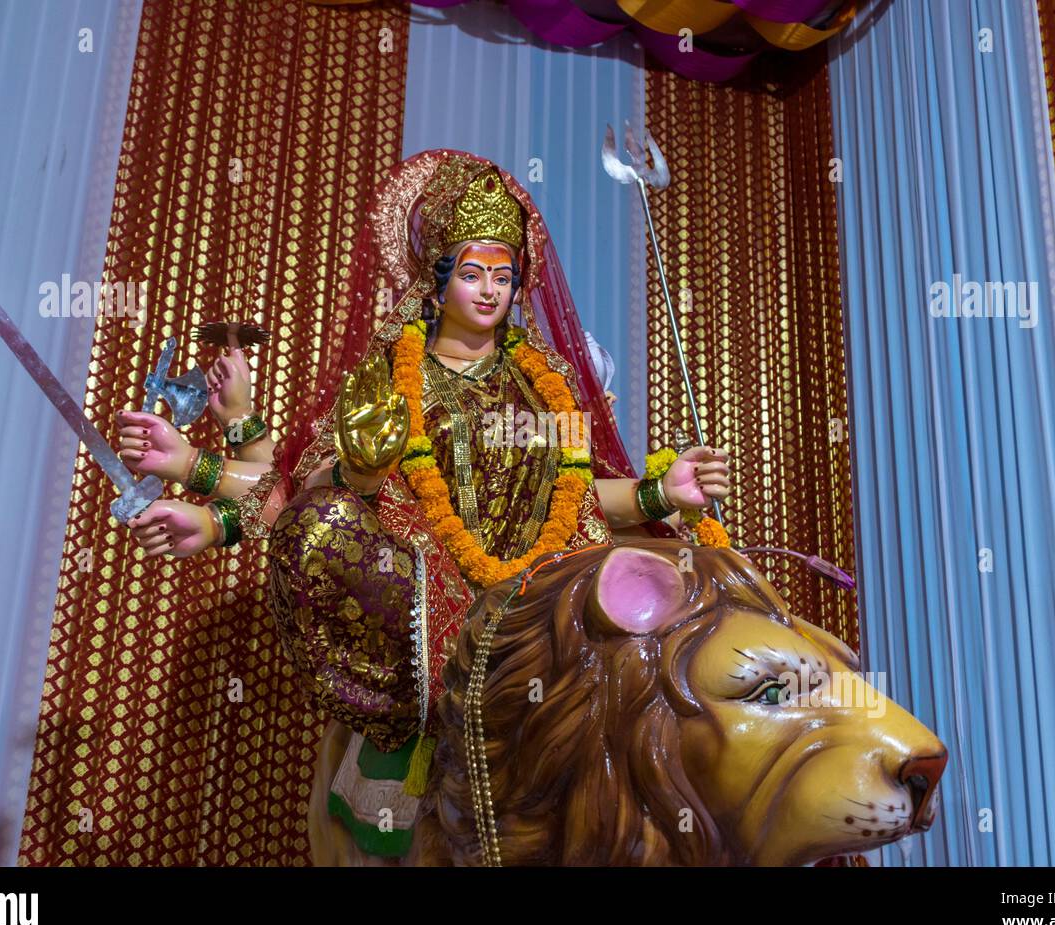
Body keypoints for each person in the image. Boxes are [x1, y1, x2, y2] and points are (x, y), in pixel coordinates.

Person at [113, 149, 731, 860]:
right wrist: (194, 470)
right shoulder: (390, 377)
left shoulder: (550, 382)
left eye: (503, 276)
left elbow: (582, 497)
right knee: (330, 526)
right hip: (424, 604)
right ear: (436, 283)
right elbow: (310, 496)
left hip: (543, 599)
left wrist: (663, 491)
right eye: (472, 273)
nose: (490, 290)